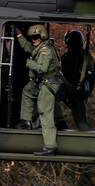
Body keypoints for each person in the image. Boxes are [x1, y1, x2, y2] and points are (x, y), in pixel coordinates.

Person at [15, 23, 61, 155]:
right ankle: (27, 121)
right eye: (31, 37)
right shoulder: (39, 47)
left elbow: (42, 68)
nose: (33, 39)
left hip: (48, 85)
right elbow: (27, 46)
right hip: (40, 83)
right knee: (27, 91)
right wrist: (18, 34)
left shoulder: (46, 51)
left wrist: (29, 63)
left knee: (45, 113)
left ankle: (50, 146)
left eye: (36, 37)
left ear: (42, 36)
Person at [59, 29, 95, 130]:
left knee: (81, 123)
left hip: (74, 93)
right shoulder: (87, 57)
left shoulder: (66, 58)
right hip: (81, 93)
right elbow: (93, 78)